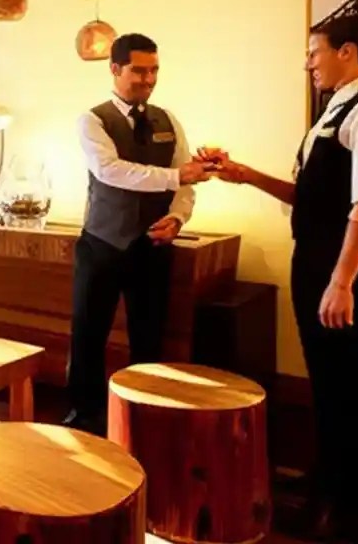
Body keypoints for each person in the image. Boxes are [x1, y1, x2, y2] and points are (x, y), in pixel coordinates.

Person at [199, 12, 358, 543]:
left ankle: (353, 506)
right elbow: (307, 196)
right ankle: (327, 481)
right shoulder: (331, 111)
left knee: (351, 387)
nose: (309, 63)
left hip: (342, 270)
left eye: (315, 52)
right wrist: (244, 175)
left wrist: (342, 281)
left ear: (347, 52)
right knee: (328, 384)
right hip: (315, 263)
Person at [62, 33, 214, 435]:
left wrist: (178, 219)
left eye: (154, 70)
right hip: (102, 244)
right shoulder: (92, 120)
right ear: (115, 69)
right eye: (139, 70)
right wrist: (176, 176)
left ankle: (144, 412)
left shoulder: (168, 120)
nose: (148, 79)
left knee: (149, 336)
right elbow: (110, 171)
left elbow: (186, 183)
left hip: (152, 246)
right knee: (88, 334)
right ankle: (84, 414)